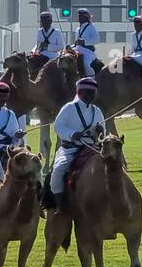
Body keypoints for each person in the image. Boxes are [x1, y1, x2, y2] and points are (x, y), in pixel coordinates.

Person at [45, 76, 105, 210]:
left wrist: (100, 132)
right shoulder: (69, 108)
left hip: (92, 148)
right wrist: (72, 134)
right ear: (80, 92)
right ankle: (59, 202)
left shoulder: (97, 111)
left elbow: (103, 133)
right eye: (88, 92)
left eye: (93, 93)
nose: (91, 95)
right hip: (70, 149)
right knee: (58, 170)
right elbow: (58, 127)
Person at [72, 8, 100, 77]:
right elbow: (77, 43)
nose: (79, 18)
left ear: (86, 18)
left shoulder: (91, 27)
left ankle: (91, 77)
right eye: (79, 17)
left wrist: (84, 42)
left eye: (81, 17)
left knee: (86, 63)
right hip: (77, 49)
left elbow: (97, 39)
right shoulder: (77, 29)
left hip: (88, 52)